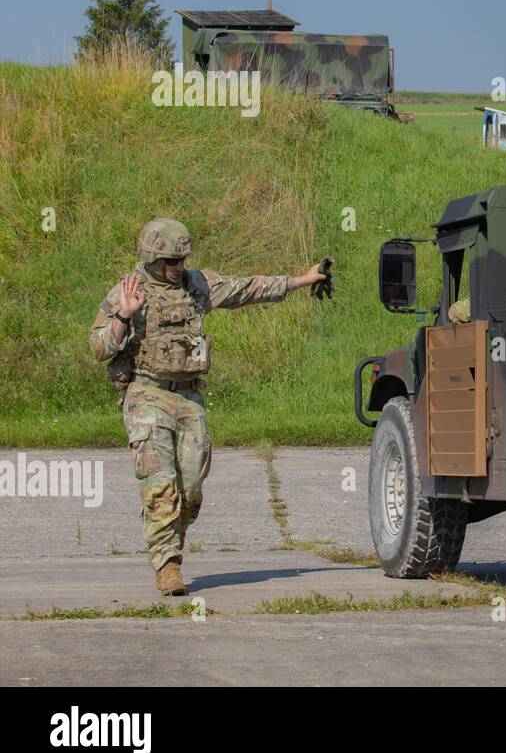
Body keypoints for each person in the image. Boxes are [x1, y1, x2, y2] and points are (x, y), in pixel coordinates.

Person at [89, 218, 330, 596]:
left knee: (192, 489)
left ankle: (169, 540)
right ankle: (167, 563)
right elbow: (100, 348)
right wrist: (123, 315)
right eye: (170, 261)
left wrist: (302, 280)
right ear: (152, 260)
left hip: (189, 397)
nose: (178, 268)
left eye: (182, 260)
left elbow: (246, 289)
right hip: (146, 395)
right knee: (160, 485)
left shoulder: (197, 286)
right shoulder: (129, 291)